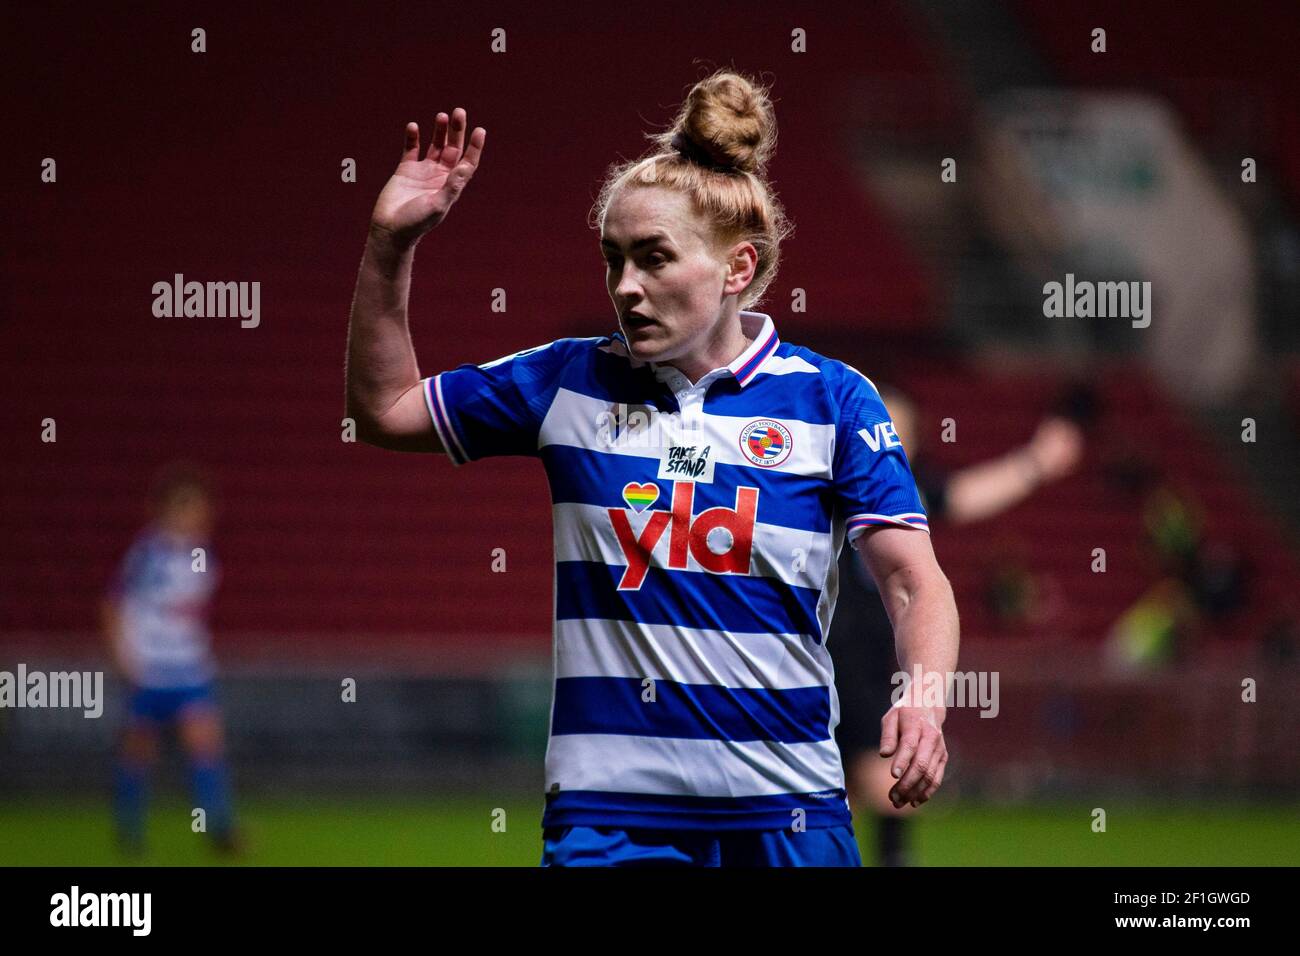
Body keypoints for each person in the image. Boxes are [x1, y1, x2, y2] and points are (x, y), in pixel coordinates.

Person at [345, 70, 959, 867]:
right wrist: (390, 247)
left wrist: (923, 701)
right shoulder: (565, 380)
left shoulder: (833, 401)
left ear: (737, 270)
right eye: (614, 259)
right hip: (608, 816)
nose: (626, 286)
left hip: (791, 813)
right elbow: (385, 409)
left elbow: (914, 581)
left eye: (655, 259)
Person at [830, 385, 1083, 865]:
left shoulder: (904, 493)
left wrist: (1034, 463)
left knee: (884, 780)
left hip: (866, 664)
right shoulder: (818, 479)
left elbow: (963, 495)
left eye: (903, 432)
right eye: (886, 427)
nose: (892, 440)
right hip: (811, 657)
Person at [103, 464, 241, 855]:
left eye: (199, 507)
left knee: (206, 745)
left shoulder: (202, 554)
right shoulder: (148, 553)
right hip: (149, 669)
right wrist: (123, 655)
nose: (195, 515)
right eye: (186, 507)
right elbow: (113, 605)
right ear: (163, 510)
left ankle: (219, 829)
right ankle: (129, 832)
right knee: (138, 749)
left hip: (189, 668)